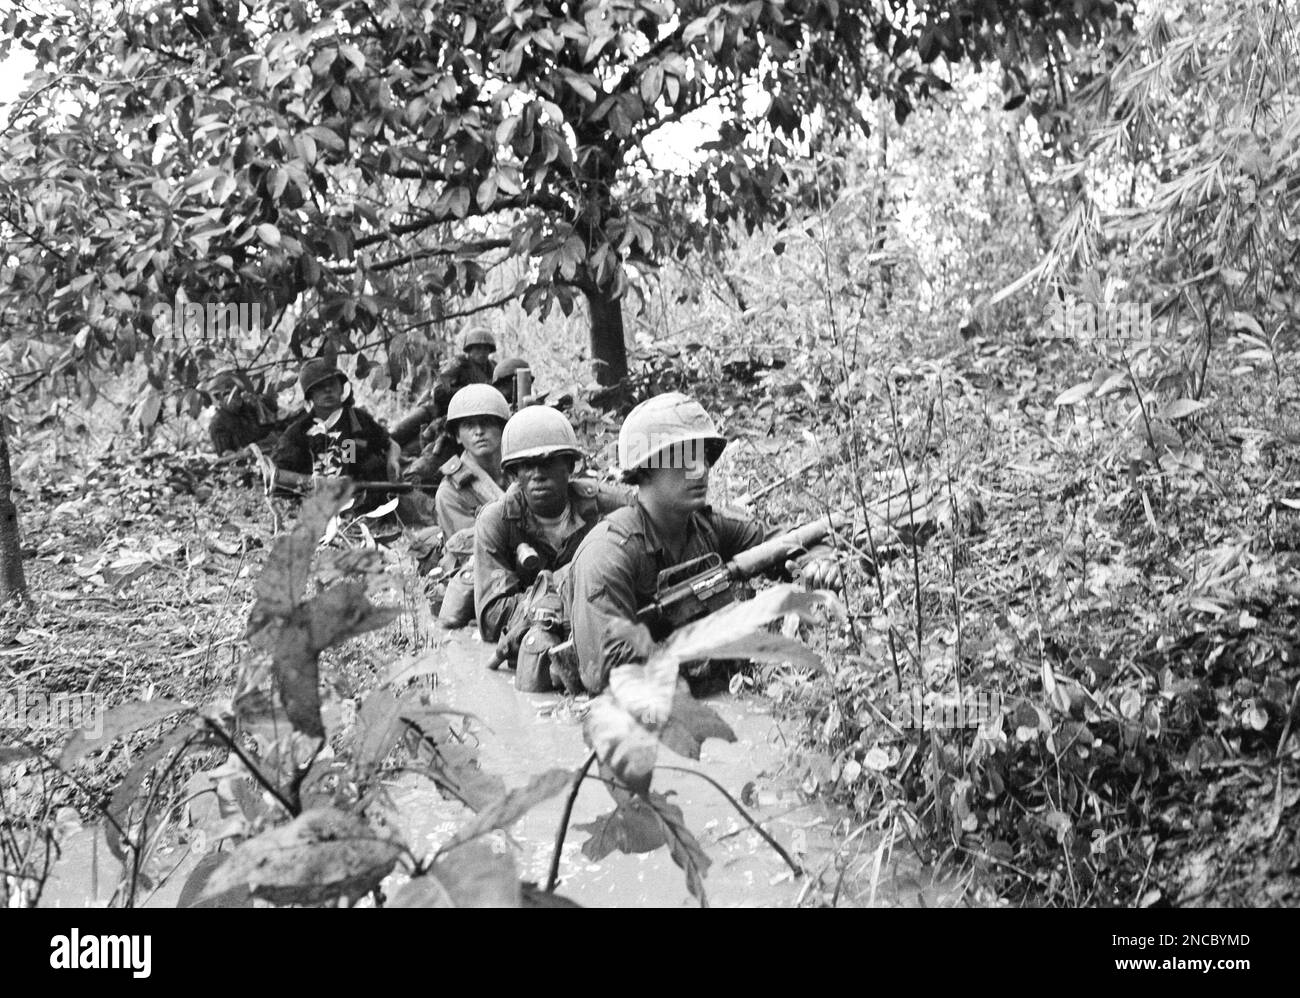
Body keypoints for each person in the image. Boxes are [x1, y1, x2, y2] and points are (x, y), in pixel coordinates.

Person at [563, 392, 841, 695]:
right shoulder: (607, 554)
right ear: (645, 468)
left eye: (703, 456)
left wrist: (820, 564)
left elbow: (787, 542)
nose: (701, 469)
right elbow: (604, 674)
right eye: (683, 458)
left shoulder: (708, 525)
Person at [473, 406, 634, 689]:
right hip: (537, 631)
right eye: (526, 466)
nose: (537, 474)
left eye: (547, 463)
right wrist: (550, 600)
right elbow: (491, 618)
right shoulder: (495, 520)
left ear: (569, 466)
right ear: (514, 474)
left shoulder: (607, 505)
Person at [433, 383, 511, 627]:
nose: (479, 431)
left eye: (487, 422)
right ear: (457, 435)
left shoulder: (521, 469)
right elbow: (475, 552)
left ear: (503, 427)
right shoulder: (450, 492)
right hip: (489, 574)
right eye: (469, 425)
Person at [270, 358, 399, 504]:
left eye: (331, 384)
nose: (328, 390)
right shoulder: (300, 431)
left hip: (367, 501)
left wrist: (392, 460)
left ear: (341, 387)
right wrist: (315, 483)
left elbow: (390, 444)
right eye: (320, 387)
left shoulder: (358, 420)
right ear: (310, 394)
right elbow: (275, 475)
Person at [401, 327, 498, 484]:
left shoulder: (493, 368)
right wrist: (470, 392)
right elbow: (439, 391)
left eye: (485, 349)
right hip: (434, 409)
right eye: (478, 348)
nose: (482, 352)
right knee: (398, 432)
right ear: (469, 349)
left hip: (464, 417)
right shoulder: (458, 363)